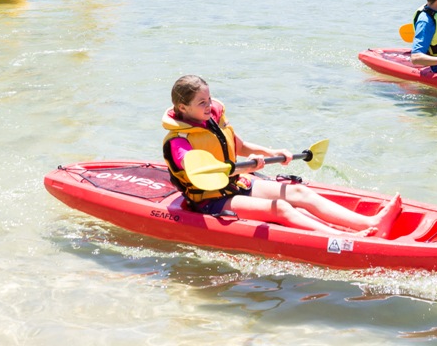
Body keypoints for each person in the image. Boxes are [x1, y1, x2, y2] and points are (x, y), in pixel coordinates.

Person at [163, 75, 402, 236]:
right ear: (183, 108)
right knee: (280, 208)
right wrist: (241, 168)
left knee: (297, 191)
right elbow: (199, 173)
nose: (208, 105)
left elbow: (239, 146)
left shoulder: (211, 119)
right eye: (201, 102)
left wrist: (271, 152)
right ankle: (346, 239)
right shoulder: (178, 143)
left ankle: (371, 223)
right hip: (209, 200)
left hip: (234, 184)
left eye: (208, 98)